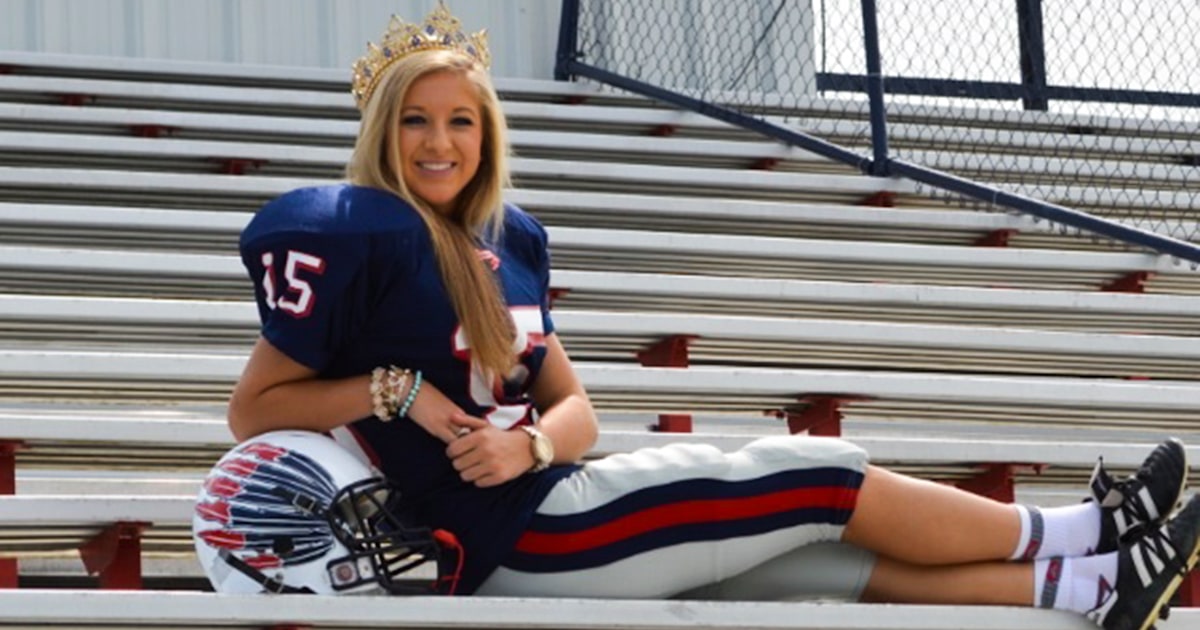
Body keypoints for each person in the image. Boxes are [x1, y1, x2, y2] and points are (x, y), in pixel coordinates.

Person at [199, 3, 1200, 629]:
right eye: (416, 119)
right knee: (810, 468)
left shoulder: (511, 243)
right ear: (384, 130)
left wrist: (535, 445)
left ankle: (1092, 592)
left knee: (830, 563)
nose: (437, 141)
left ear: (487, 133)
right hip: (513, 539)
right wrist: (397, 393)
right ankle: (1084, 527)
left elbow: (576, 407)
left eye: (461, 119)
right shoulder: (360, 234)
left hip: (547, 500)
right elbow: (256, 410)